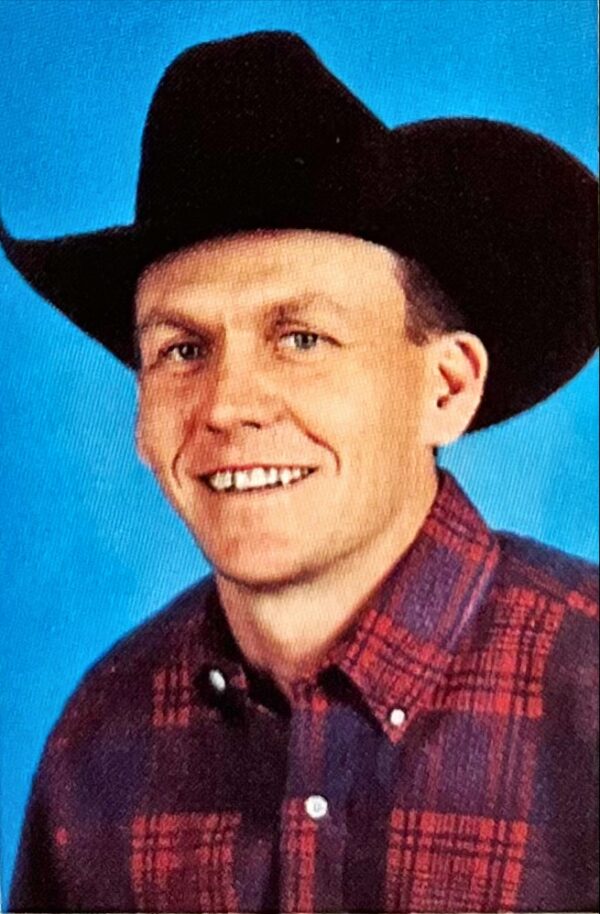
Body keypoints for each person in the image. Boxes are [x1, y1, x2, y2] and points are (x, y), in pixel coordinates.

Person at [1, 31, 597, 914]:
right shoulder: (99, 744)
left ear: (445, 386)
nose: (229, 404)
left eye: (302, 338)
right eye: (182, 349)